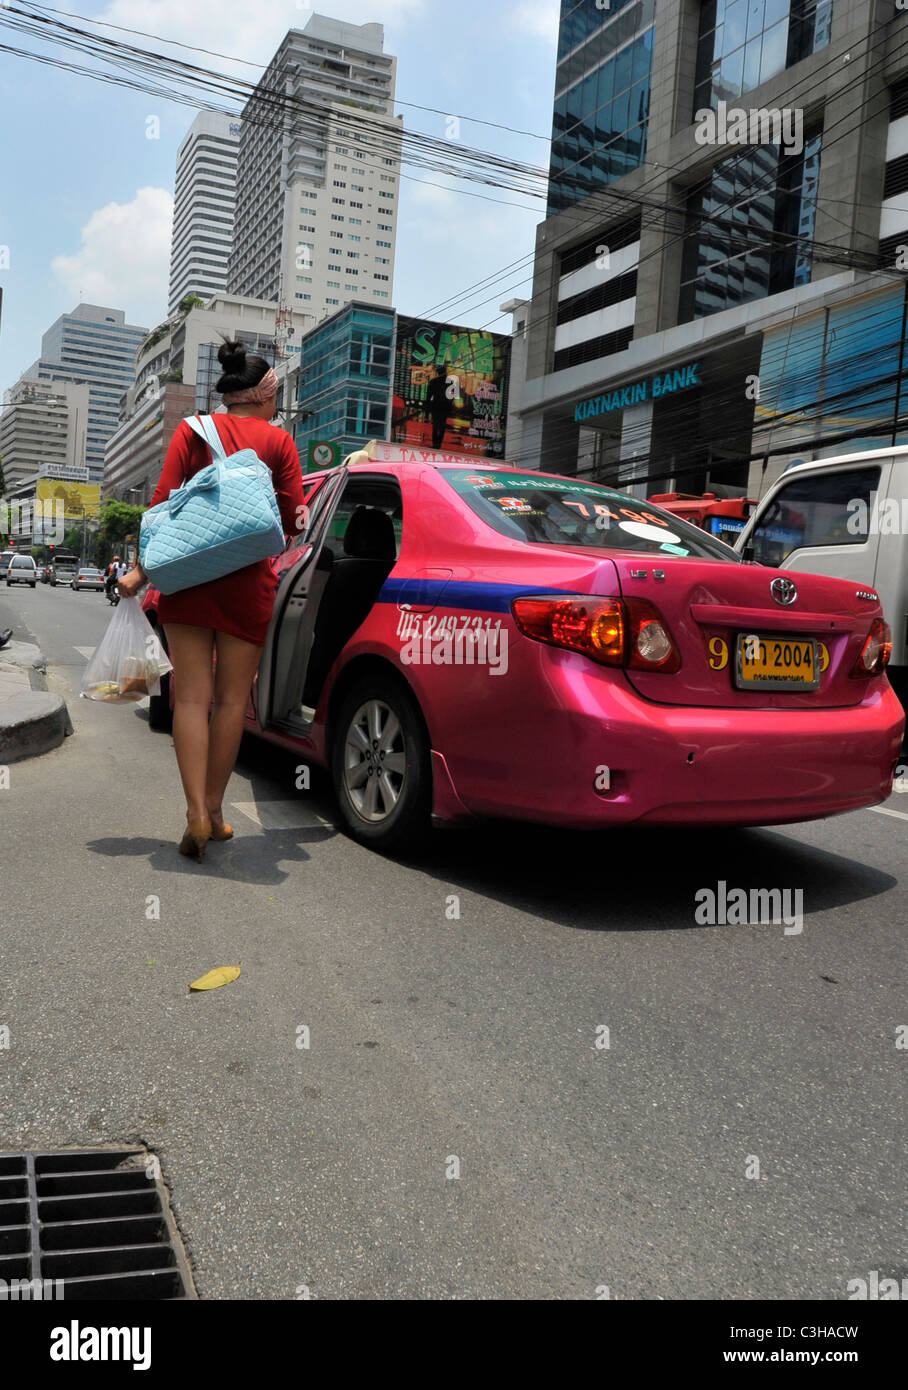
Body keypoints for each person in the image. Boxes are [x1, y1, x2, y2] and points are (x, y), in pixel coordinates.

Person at [117, 340, 306, 863]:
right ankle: (218, 812)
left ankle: (194, 811)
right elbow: (293, 521)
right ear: (266, 394)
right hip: (248, 586)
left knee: (191, 700)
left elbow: (159, 506)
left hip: (188, 581)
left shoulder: (191, 430)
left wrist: (140, 569)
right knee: (228, 704)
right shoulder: (279, 443)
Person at [425, 363, 452, 449]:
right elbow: (452, 397)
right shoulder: (450, 383)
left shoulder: (433, 382)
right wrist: (450, 406)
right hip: (445, 406)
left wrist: (427, 406)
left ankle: (435, 444)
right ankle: (438, 445)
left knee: (435, 425)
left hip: (436, 405)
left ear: (437, 372)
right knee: (442, 425)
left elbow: (428, 397)